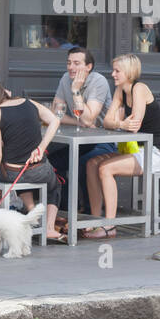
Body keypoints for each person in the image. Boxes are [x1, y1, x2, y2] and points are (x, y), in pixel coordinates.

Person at [84, 53, 160, 239]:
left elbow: (135, 124)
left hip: (156, 153)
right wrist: (120, 123)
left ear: (129, 72)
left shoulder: (139, 88)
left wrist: (120, 122)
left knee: (106, 168)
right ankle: (95, 220)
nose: (112, 74)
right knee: (92, 163)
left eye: (117, 71)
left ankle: (109, 226)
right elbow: (107, 121)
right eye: (113, 70)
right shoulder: (121, 91)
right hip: (140, 150)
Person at [0, 79, 64, 242]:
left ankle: (32, 212)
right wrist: (41, 148)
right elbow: (55, 120)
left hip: (12, 174)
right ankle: (47, 227)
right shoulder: (30, 103)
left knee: (12, 170)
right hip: (38, 171)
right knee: (55, 184)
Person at [46, 47, 115, 212]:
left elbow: (89, 118)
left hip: (104, 140)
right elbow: (56, 113)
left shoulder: (98, 81)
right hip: (81, 138)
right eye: (69, 63)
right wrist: (79, 123)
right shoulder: (65, 78)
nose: (71, 67)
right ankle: (67, 211)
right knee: (52, 162)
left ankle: (92, 214)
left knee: (83, 162)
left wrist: (76, 90)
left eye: (76, 63)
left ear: (88, 67)